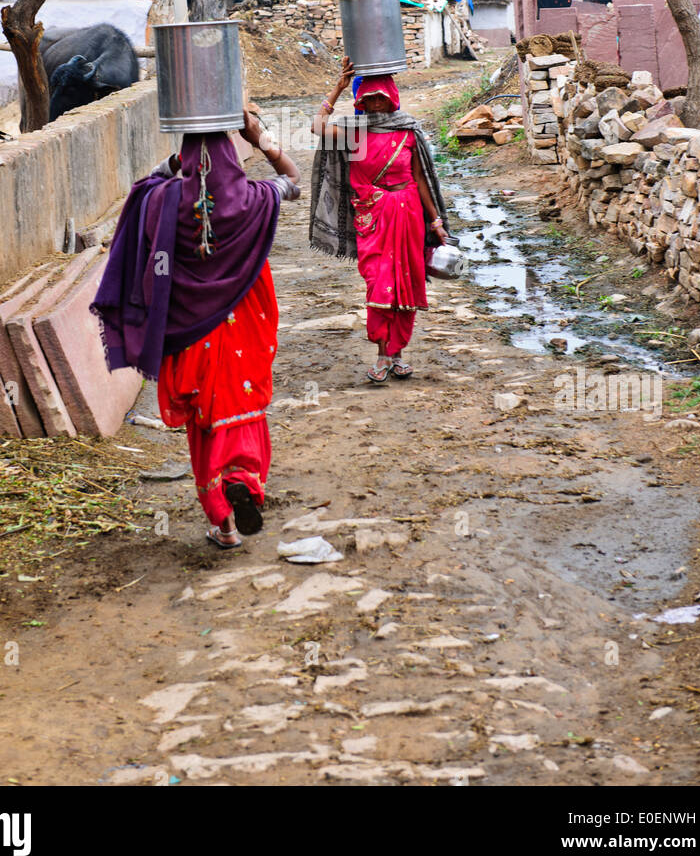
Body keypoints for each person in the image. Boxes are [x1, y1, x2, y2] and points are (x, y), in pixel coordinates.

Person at [92, 108, 300, 549]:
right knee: (241, 405)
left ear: (185, 160)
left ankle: (223, 524)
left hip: (192, 334)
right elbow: (294, 179)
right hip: (243, 326)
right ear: (234, 160)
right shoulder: (254, 200)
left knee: (206, 421)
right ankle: (243, 478)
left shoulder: (159, 201)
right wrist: (258, 137)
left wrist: (177, 162)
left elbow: (140, 188)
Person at [310, 56, 448, 382]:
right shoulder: (352, 132)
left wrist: (436, 221)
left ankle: (396, 356)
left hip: (408, 212)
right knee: (378, 282)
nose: (374, 105)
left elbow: (421, 179)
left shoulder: (408, 131)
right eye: (368, 99)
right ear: (360, 102)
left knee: (406, 283)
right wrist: (339, 87)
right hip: (372, 217)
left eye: (380, 99)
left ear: (392, 98)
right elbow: (316, 127)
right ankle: (382, 354)